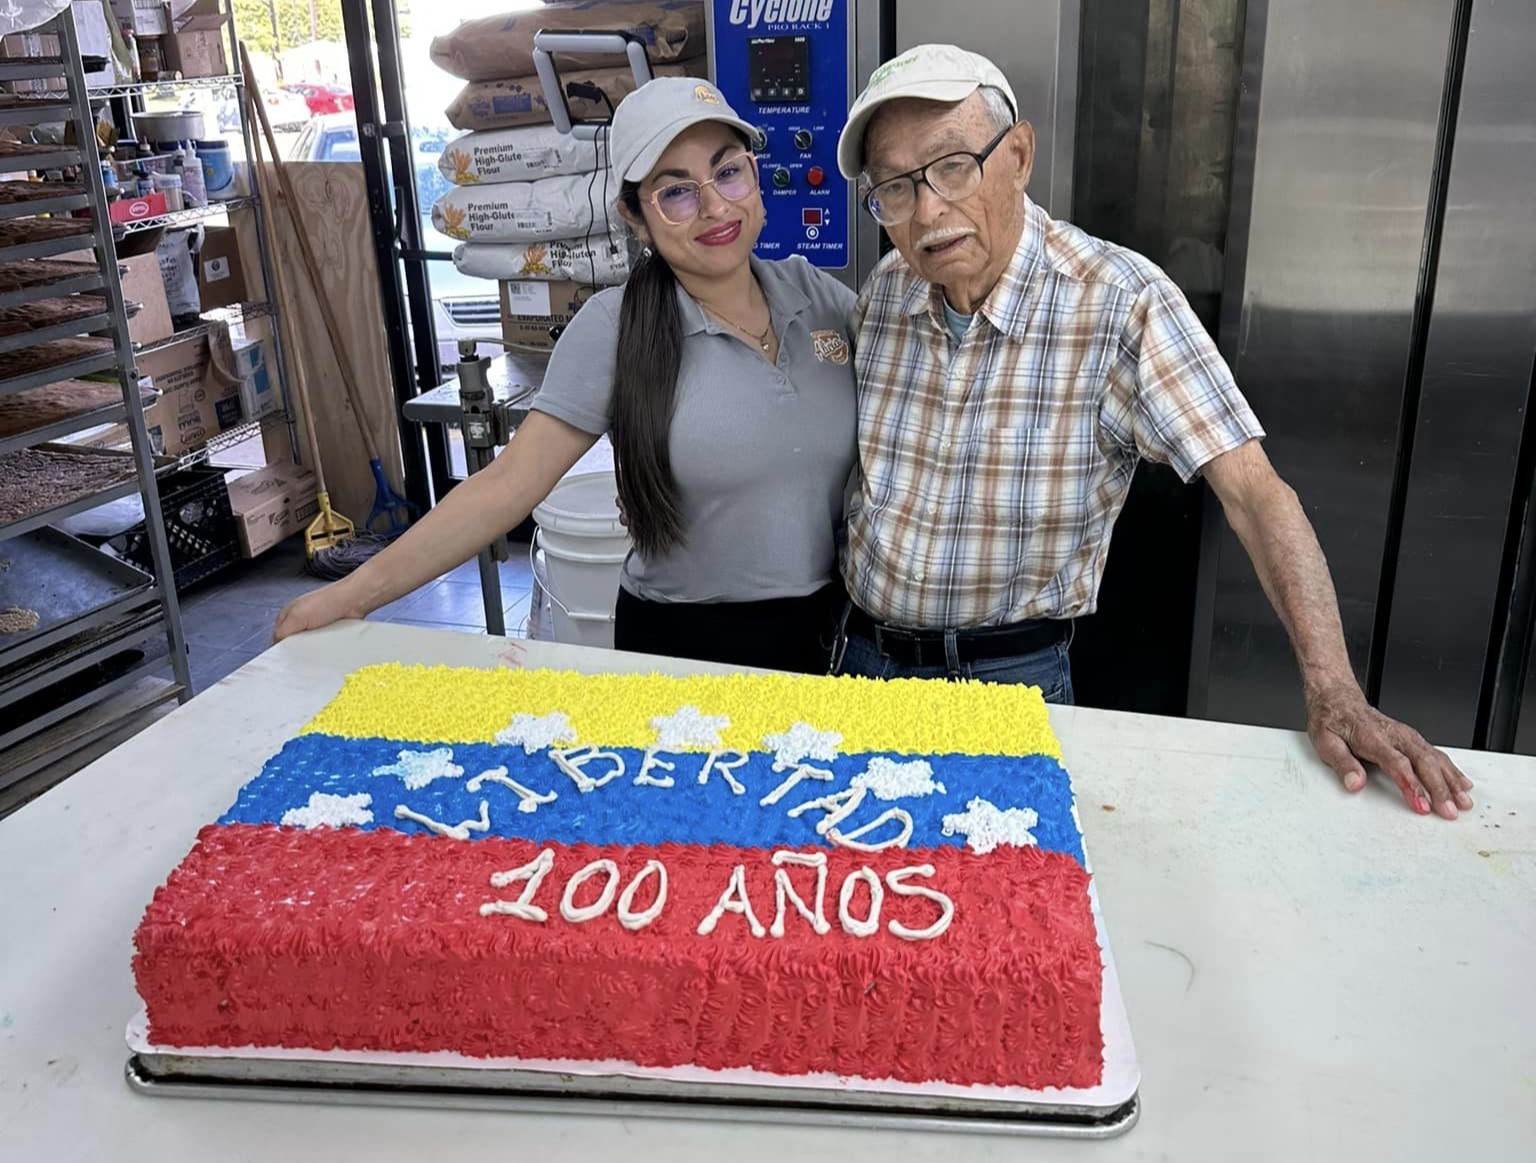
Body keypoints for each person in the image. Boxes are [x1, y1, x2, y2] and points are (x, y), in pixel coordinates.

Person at [831, 44, 1474, 821]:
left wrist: (1335, 689)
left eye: (953, 166)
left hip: (1004, 686)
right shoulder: (886, 293)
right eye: (895, 189)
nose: (928, 210)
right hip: (856, 667)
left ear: (1020, 155)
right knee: (857, 911)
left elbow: (1256, 495)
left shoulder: (1119, 303)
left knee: (1005, 917)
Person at [273, 78, 858, 673]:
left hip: (834, 636)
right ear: (635, 217)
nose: (715, 207)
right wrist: (351, 594)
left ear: (755, 177)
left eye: (728, 171)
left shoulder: (818, 298)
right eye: (675, 192)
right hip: (687, 647)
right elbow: (505, 488)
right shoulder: (616, 327)